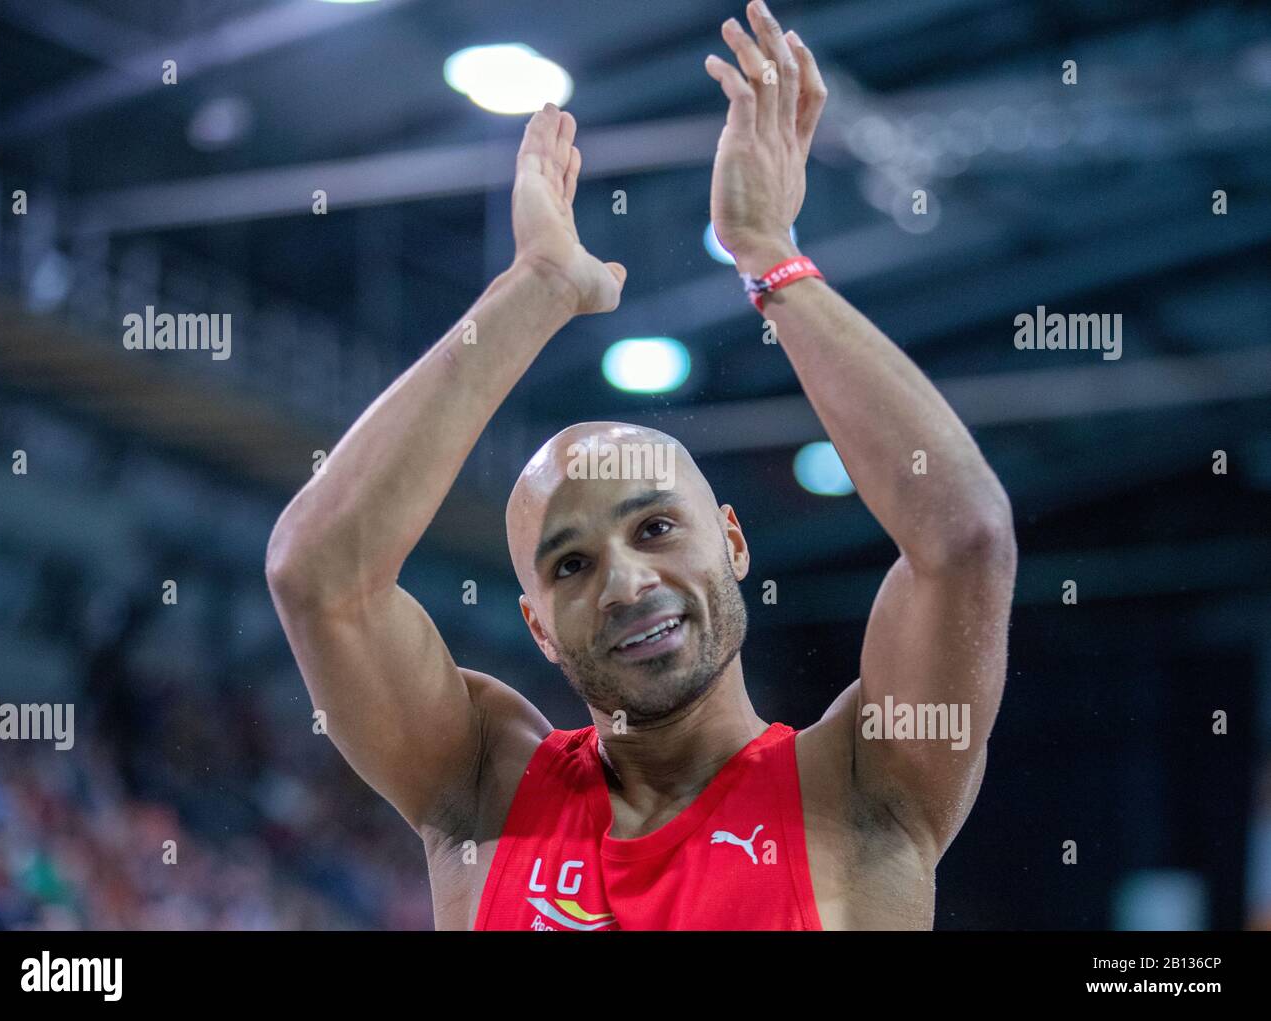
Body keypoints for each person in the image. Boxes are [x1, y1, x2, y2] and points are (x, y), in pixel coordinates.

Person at [265, 0, 1016, 930]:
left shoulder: (864, 789)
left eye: (656, 526)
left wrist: (770, 257)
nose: (624, 580)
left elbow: (966, 537)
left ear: (733, 541)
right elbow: (315, 575)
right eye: (570, 563)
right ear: (537, 626)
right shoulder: (485, 793)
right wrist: (532, 288)